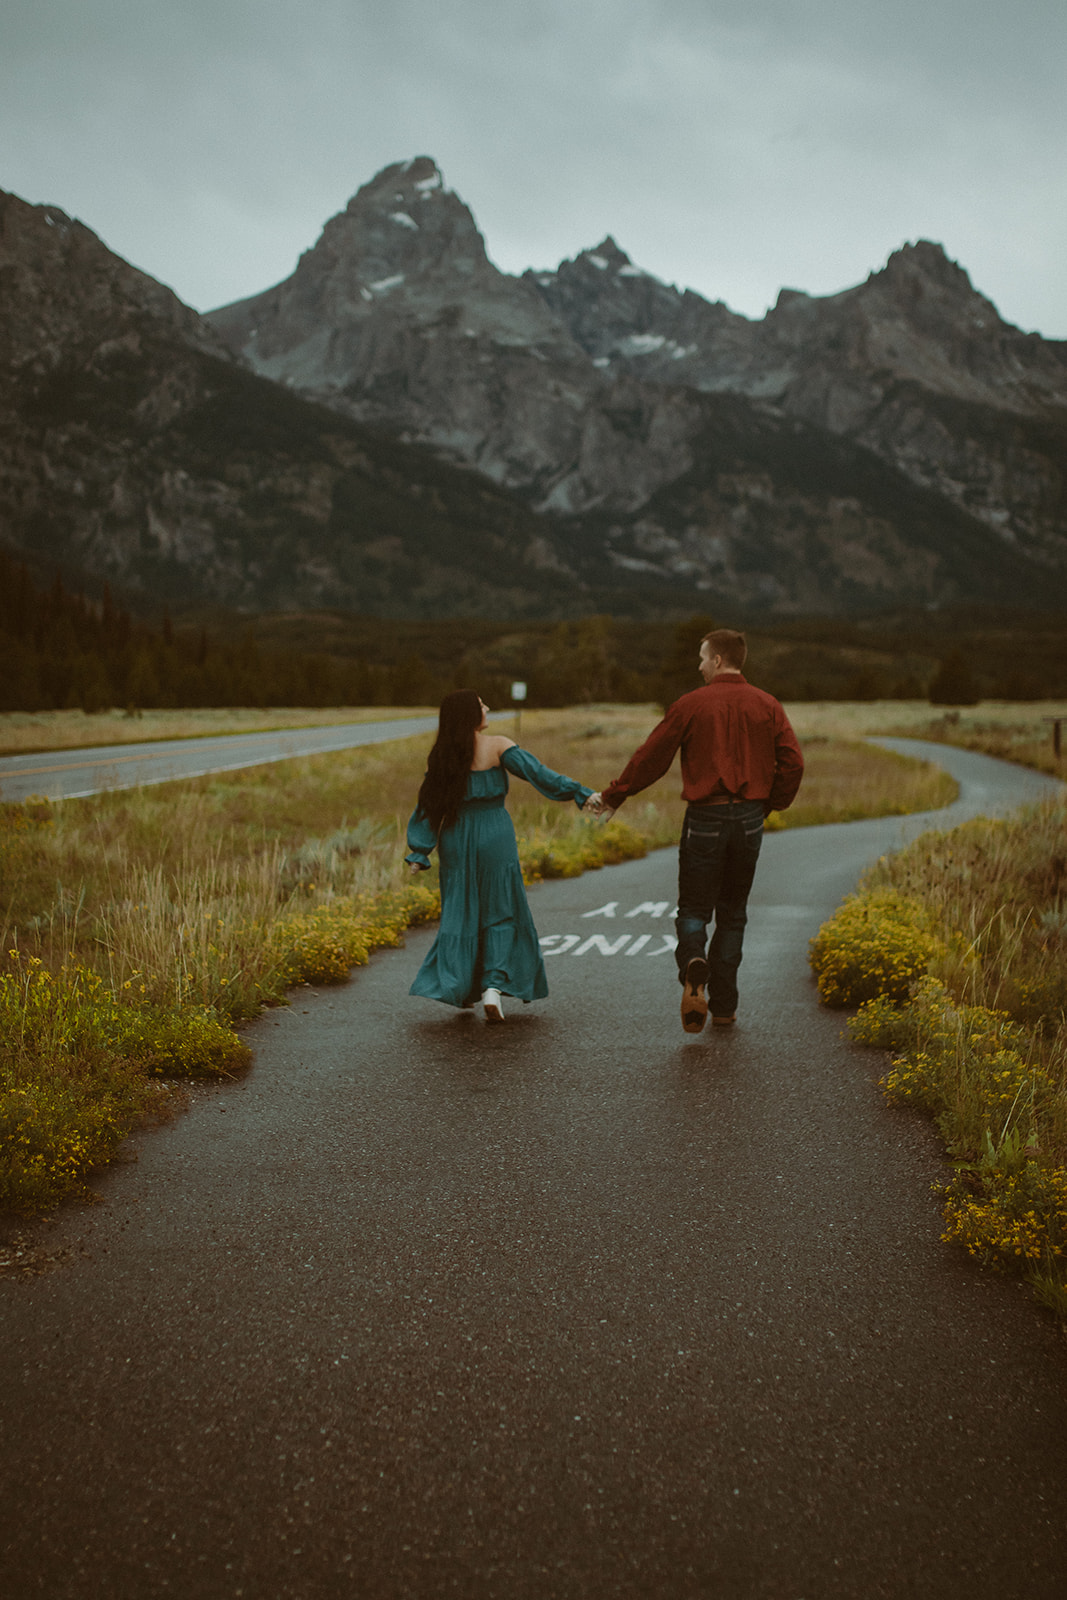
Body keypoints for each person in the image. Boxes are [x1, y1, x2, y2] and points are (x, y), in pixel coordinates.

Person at [590, 629, 804, 1034]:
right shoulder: (768, 705)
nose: (699, 665)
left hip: (705, 818)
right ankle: (724, 1007)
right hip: (749, 819)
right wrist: (768, 804)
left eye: (703, 658)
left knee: (692, 909)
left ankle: (693, 961)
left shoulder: (690, 704)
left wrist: (615, 795)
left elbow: (652, 757)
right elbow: (793, 763)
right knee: (733, 913)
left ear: (718, 660)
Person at [406, 689, 596, 1023]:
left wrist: (420, 851)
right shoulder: (498, 746)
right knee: (501, 909)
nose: (488, 708)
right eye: (482, 705)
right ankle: (493, 986)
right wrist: (580, 793)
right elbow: (539, 774)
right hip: (494, 833)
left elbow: (429, 806)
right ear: (470, 714)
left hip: (456, 837)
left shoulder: (443, 755)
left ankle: (460, 986)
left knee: (461, 911)